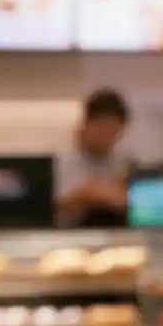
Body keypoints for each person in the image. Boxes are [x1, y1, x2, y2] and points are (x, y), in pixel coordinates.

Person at [55, 88, 131, 227]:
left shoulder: (122, 166)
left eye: (113, 133)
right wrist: (83, 196)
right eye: (102, 130)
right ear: (86, 124)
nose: (107, 139)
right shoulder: (61, 163)